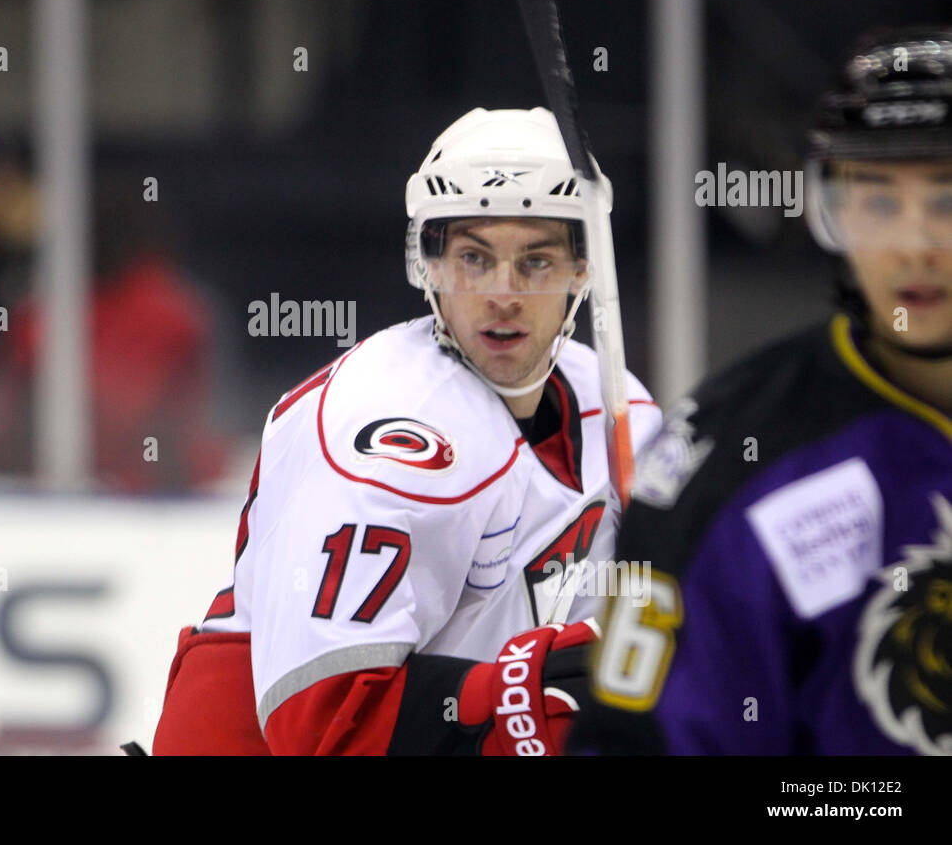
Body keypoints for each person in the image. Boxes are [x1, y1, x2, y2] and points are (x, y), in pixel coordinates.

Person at [151, 107, 661, 754]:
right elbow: (325, 722)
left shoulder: (620, 409)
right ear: (430, 265)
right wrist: (519, 700)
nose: (503, 293)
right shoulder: (385, 425)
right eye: (474, 258)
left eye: (536, 261)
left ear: (582, 272)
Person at [571, 27, 952, 755]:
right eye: (877, 203)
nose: (915, 244)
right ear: (830, 213)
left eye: (947, 199)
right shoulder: (720, 475)